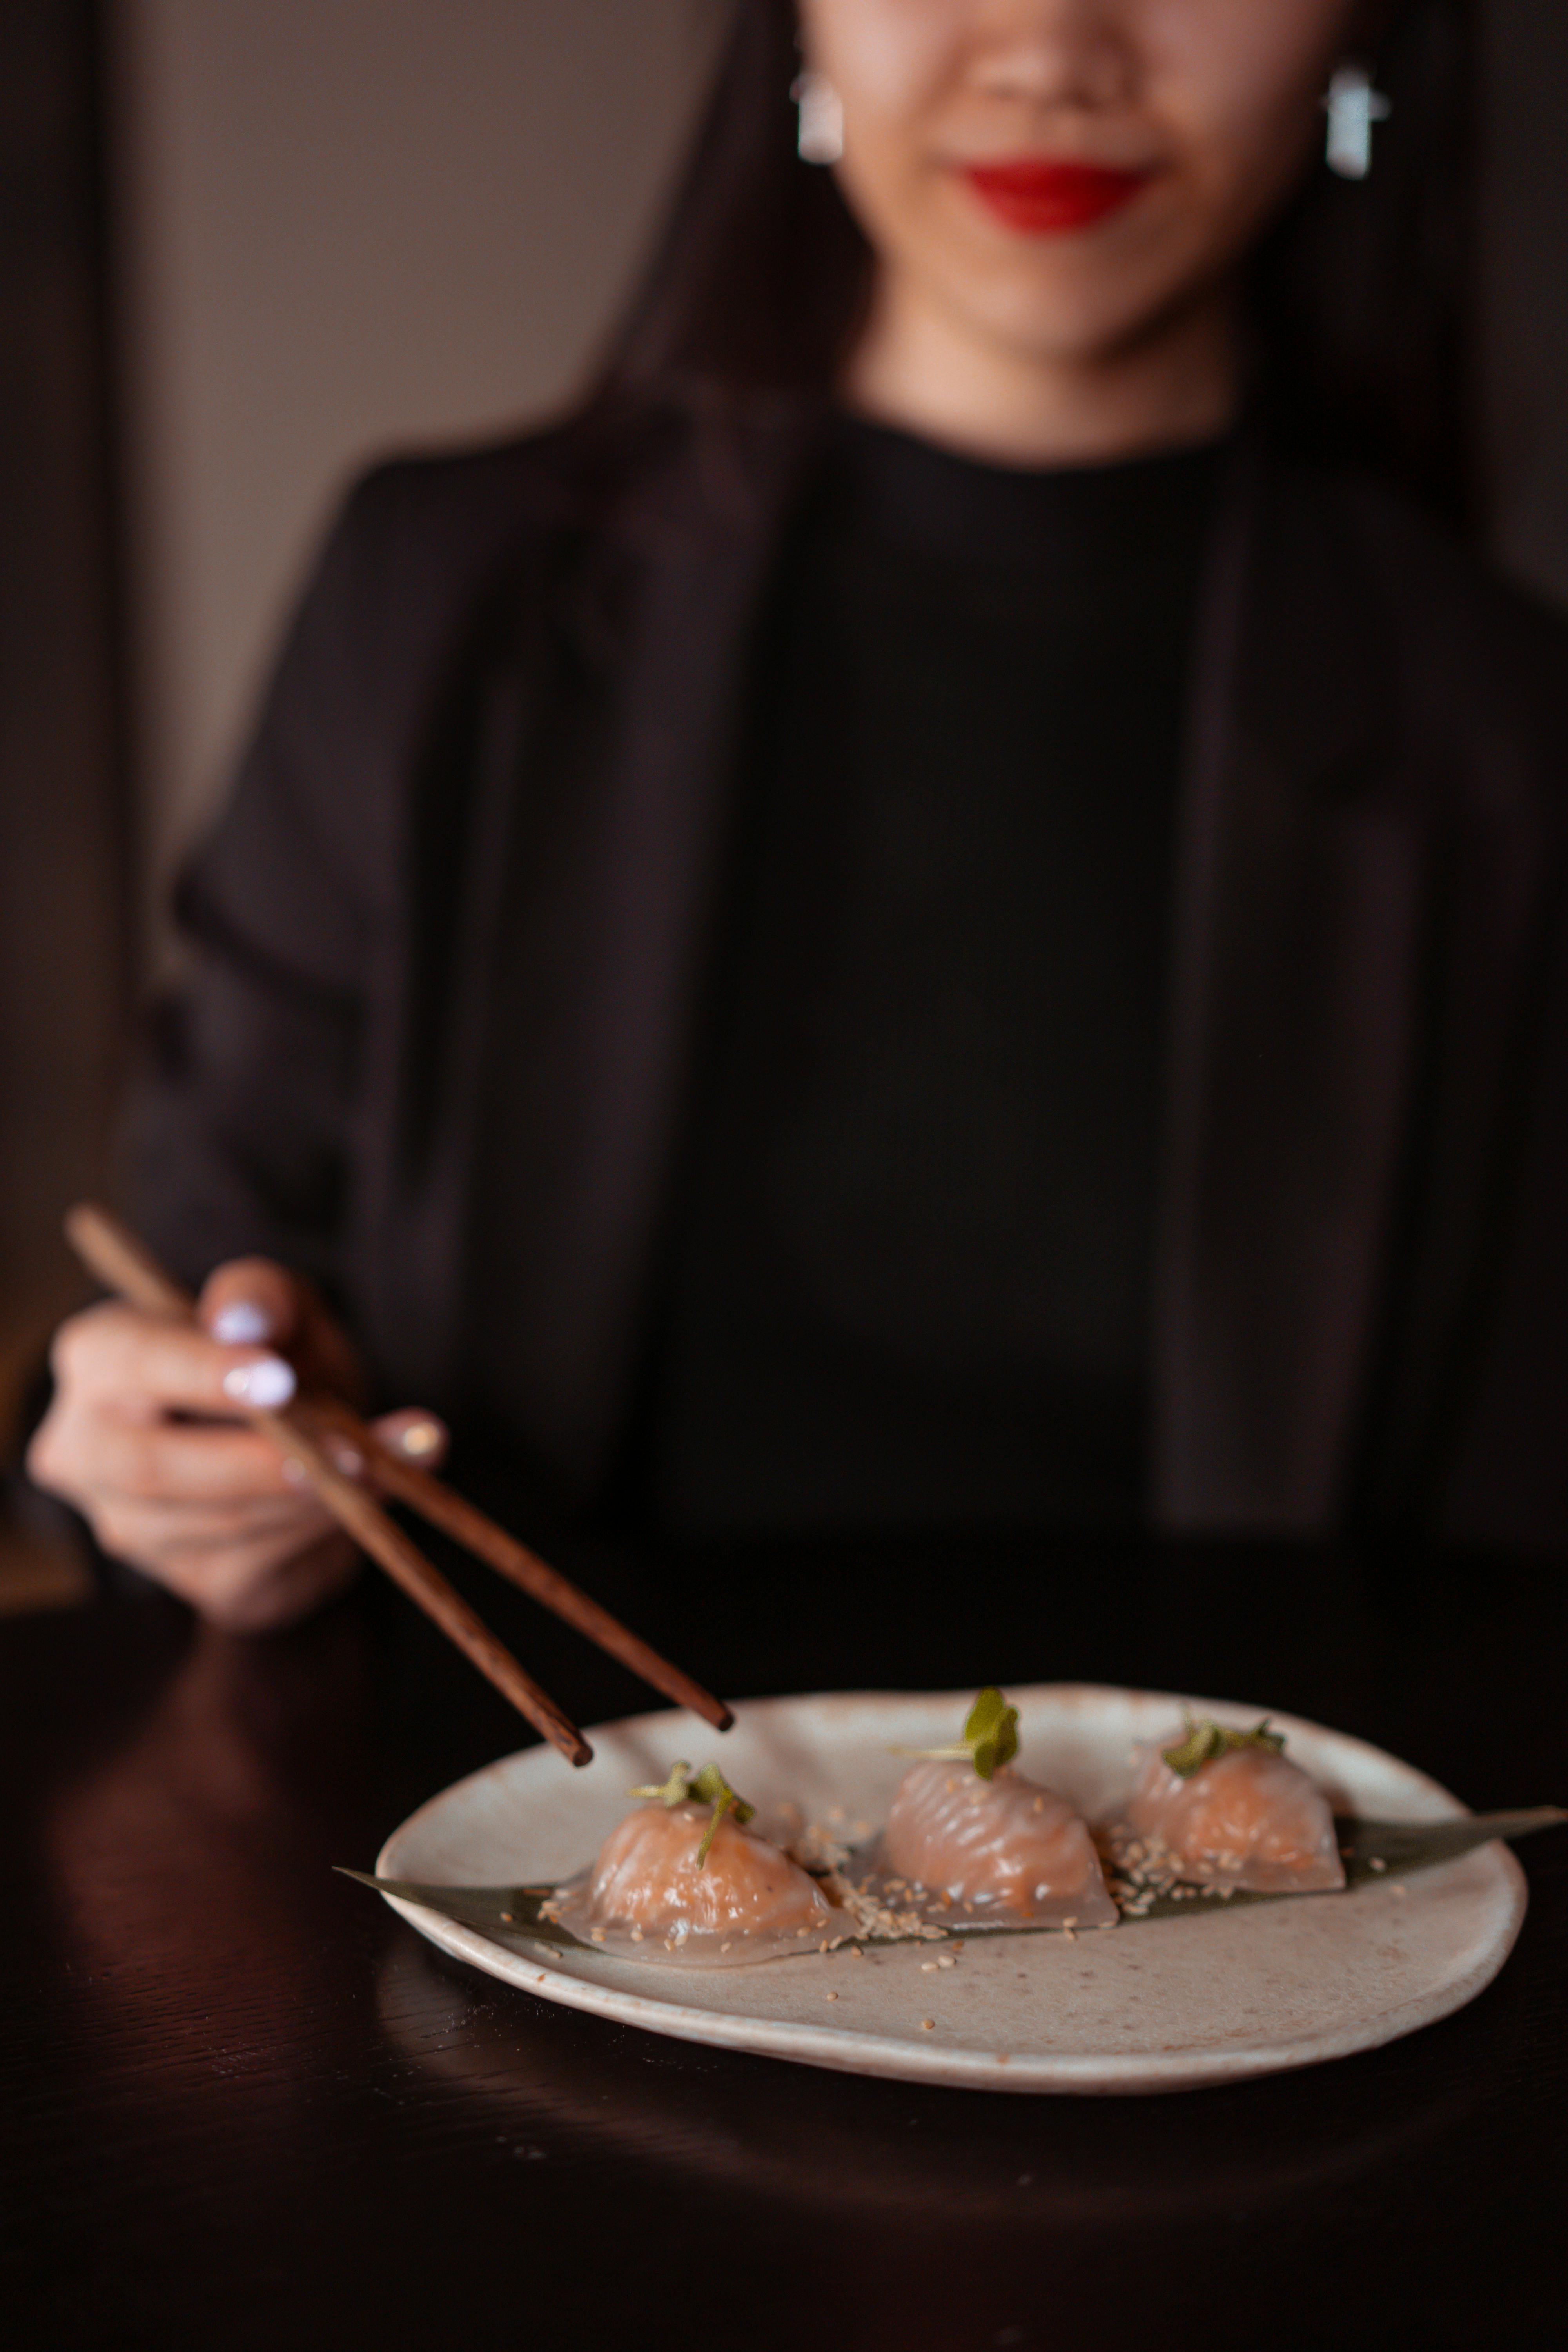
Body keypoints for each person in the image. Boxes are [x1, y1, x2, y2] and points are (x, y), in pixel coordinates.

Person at [29, 0, 1568, 1634]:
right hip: (508, 1856)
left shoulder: (1509, 746)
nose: (1050, 49)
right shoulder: (437, 607)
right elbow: (174, 1323)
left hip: (1245, 1882)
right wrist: (179, 1465)